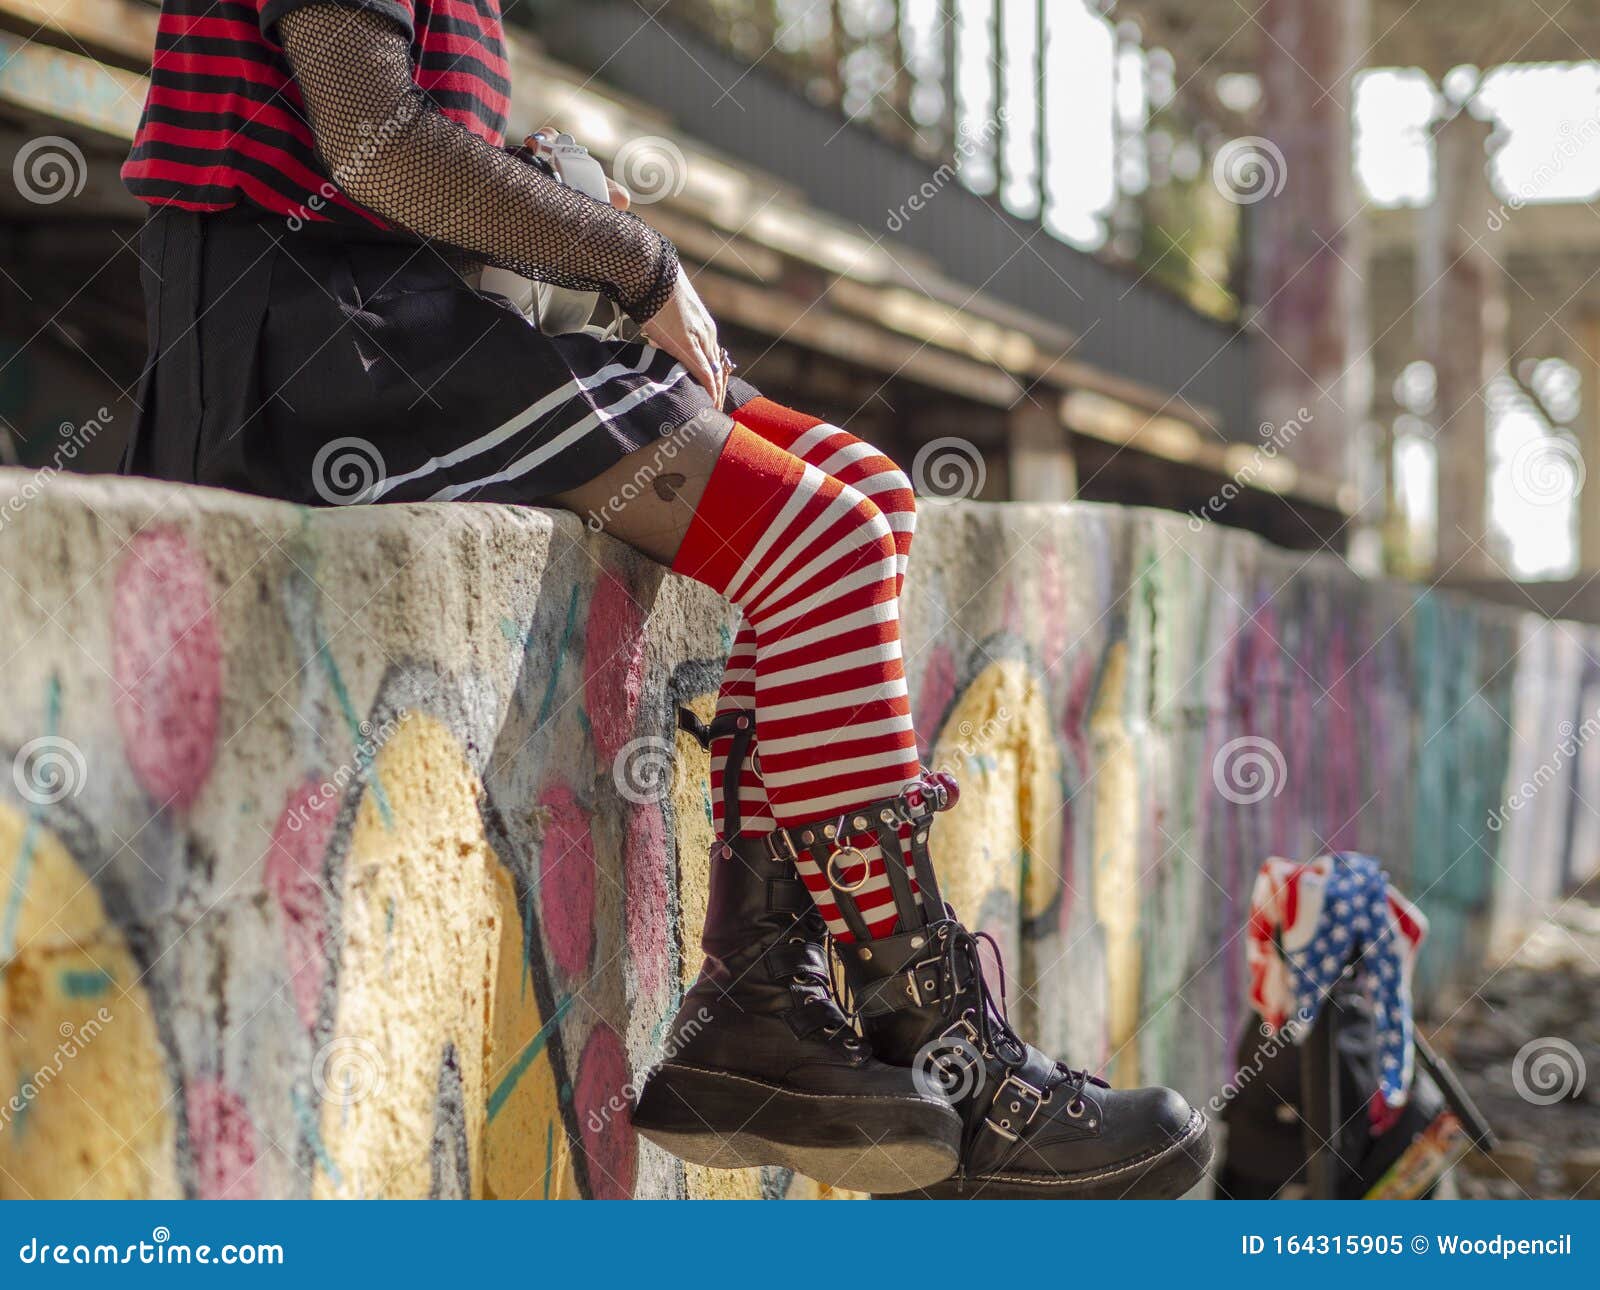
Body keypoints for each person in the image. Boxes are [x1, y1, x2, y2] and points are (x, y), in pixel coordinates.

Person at [120, 0, 1211, 1197]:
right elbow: (374, 142)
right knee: (823, 539)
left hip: (412, 321)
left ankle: (757, 999)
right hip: (321, 343)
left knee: (867, 492)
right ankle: (948, 1058)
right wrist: (633, 260)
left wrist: (545, 197)